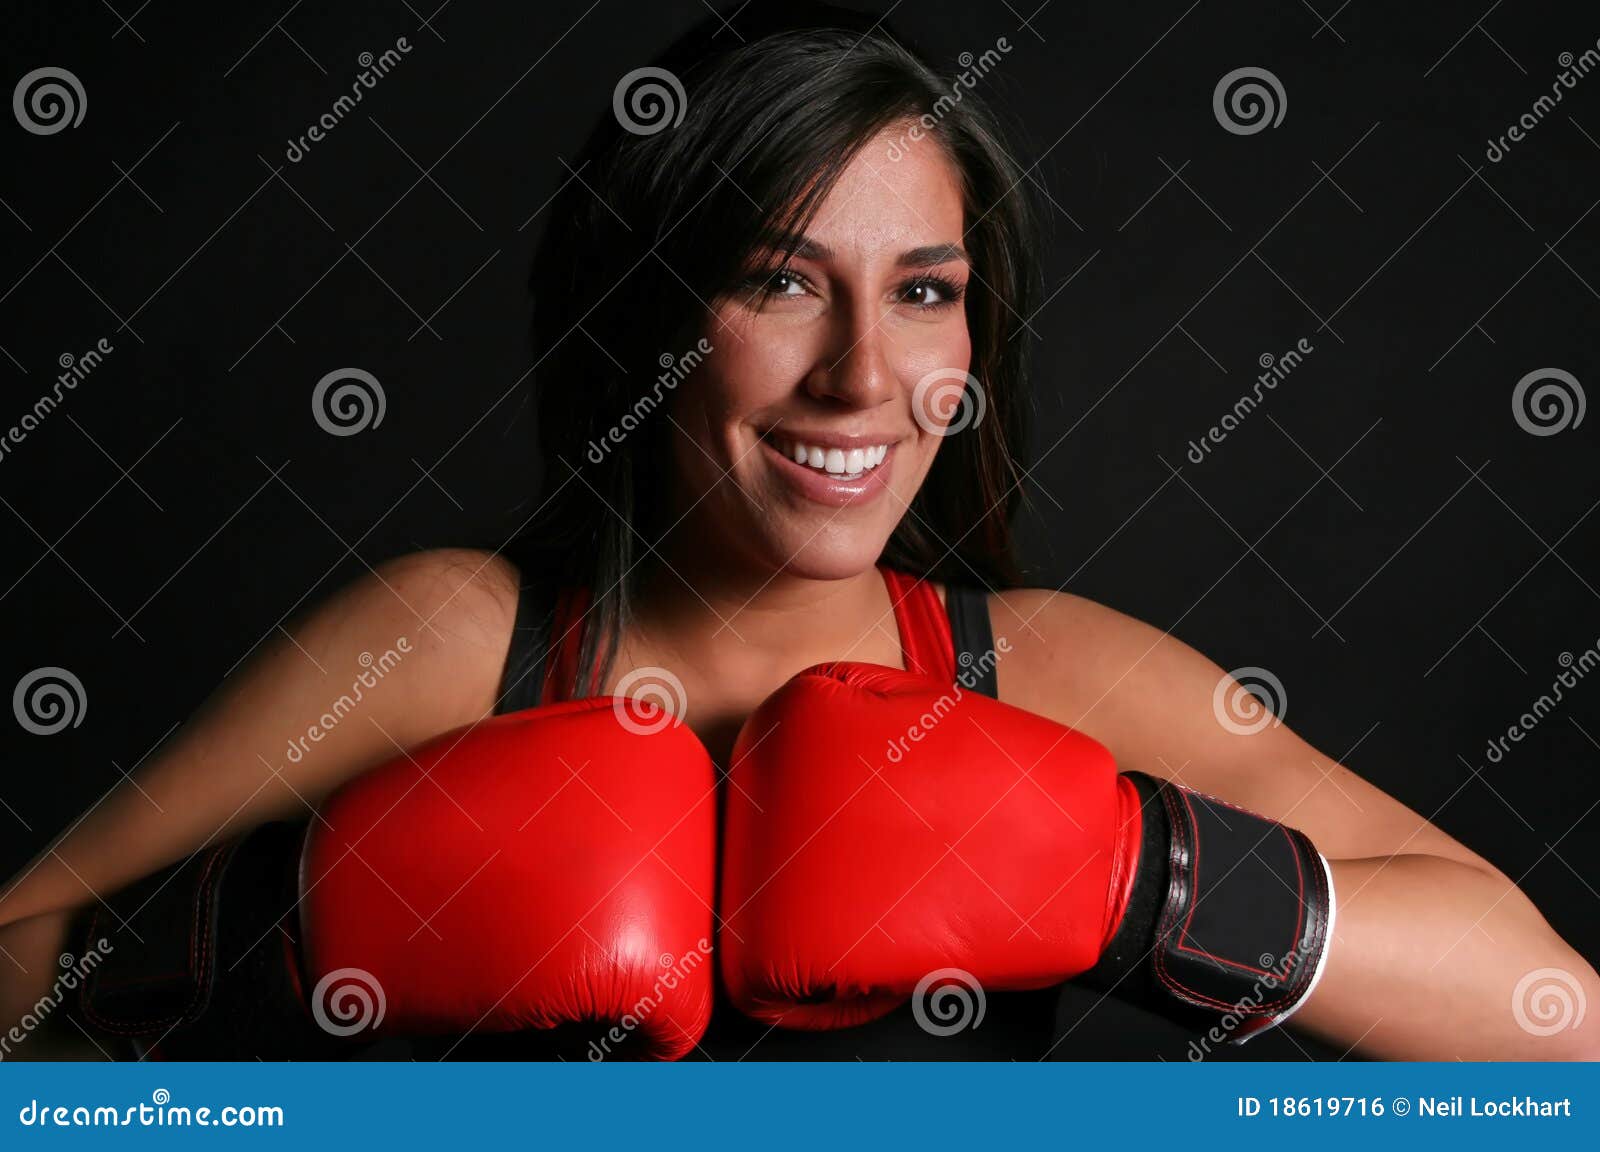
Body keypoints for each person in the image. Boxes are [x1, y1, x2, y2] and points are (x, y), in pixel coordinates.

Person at [1, 4, 1595, 1062]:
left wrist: (1136, 879)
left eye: (924, 292)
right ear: (648, 318)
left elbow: (1557, 1017)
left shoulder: (1037, 672)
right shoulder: (454, 644)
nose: (862, 378)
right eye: (776, 281)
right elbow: (25, 940)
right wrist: (283, 926)